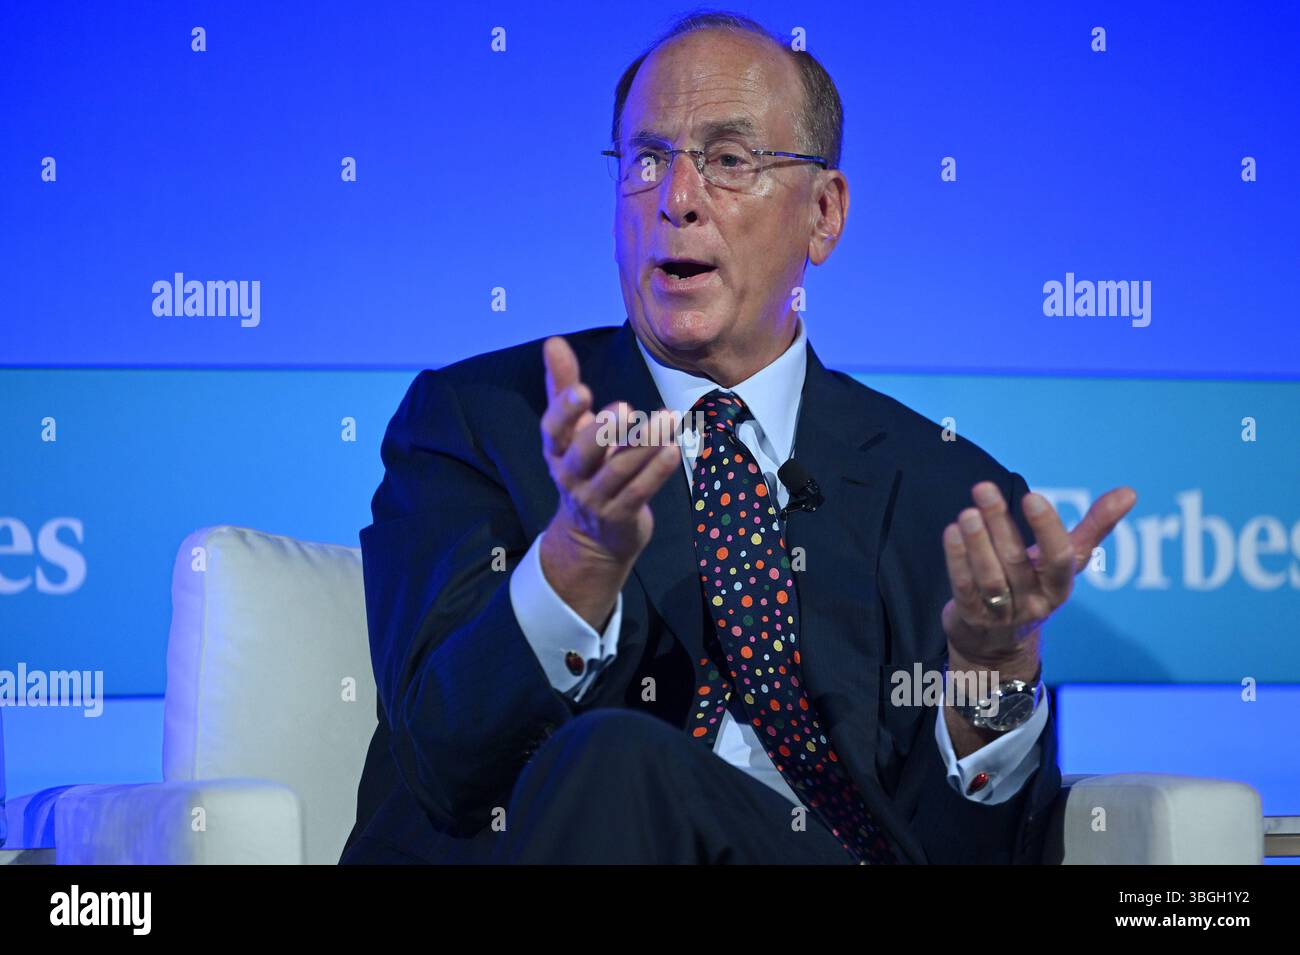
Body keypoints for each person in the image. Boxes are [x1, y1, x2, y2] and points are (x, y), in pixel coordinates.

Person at [340, 11, 1135, 864]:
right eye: (646, 161)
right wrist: (573, 565)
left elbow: (979, 858)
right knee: (617, 759)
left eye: (728, 160)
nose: (677, 200)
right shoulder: (480, 421)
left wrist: (992, 674)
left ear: (823, 215)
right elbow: (441, 761)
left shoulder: (951, 495)